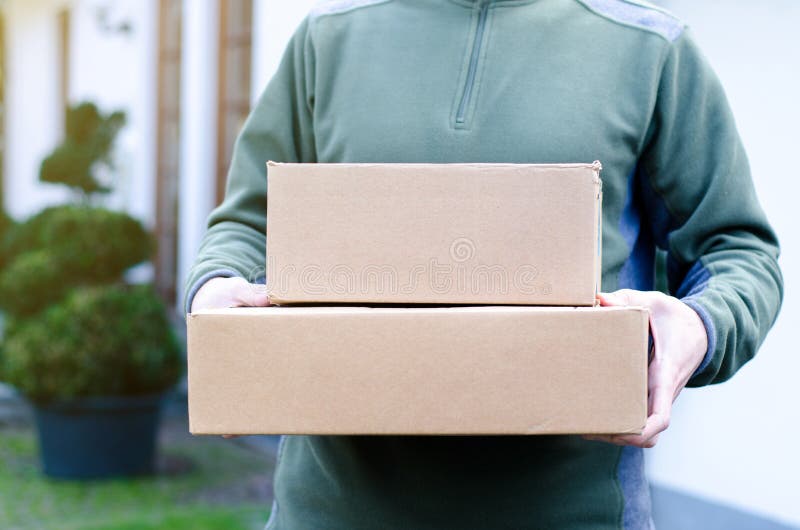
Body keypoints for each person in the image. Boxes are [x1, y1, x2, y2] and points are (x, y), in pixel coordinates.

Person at [185, 0, 784, 528]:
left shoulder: (650, 48)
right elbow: (249, 223)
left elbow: (736, 249)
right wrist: (216, 288)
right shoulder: (328, 37)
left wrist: (702, 326)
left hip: (575, 513)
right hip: (330, 511)